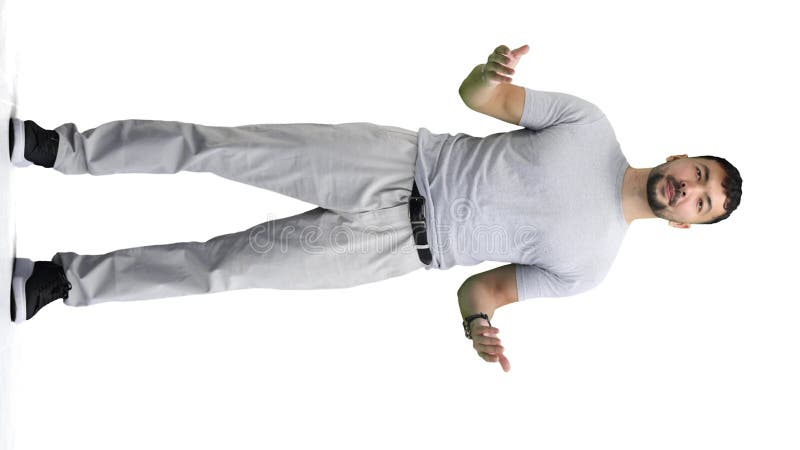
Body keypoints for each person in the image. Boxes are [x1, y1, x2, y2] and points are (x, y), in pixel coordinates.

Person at [7, 44, 742, 372]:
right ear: (682, 155)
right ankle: (58, 149)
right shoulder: (592, 125)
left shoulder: (592, 267)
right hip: (397, 161)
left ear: (685, 225)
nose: (689, 188)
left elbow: (480, 289)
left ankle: (58, 281)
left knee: (224, 271)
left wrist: (478, 327)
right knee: (218, 146)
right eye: (698, 173)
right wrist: (489, 76)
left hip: (394, 251)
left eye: (701, 203)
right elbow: (480, 100)